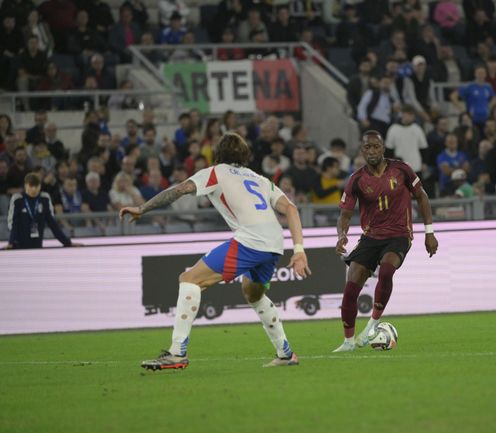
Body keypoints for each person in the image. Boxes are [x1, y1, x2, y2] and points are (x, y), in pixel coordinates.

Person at [119, 132, 311, 370]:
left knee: (189, 279)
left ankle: (177, 353)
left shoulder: (214, 172)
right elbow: (291, 208)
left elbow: (179, 190)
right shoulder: (259, 178)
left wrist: (142, 208)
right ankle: (286, 353)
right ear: (245, 156)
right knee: (253, 293)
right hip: (274, 244)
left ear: (218, 154)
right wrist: (299, 250)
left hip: (250, 240)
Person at [333, 131, 438, 352]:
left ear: (383, 148)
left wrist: (429, 232)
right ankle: (348, 342)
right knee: (350, 289)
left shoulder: (401, 169)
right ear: (362, 151)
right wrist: (342, 235)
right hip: (370, 237)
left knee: (387, 270)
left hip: (399, 234)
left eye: (376, 146)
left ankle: (372, 324)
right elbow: (344, 214)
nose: (372, 151)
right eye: (367, 147)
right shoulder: (356, 179)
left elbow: (422, 197)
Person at [5, 173, 80, 249]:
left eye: (36, 186)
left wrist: (67, 243)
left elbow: (52, 224)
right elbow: (14, 223)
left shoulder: (44, 199)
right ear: (25, 185)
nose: (34, 189)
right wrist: (11, 242)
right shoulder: (18, 199)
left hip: (37, 242)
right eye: (31, 186)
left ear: (40, 186)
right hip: (19, 243)